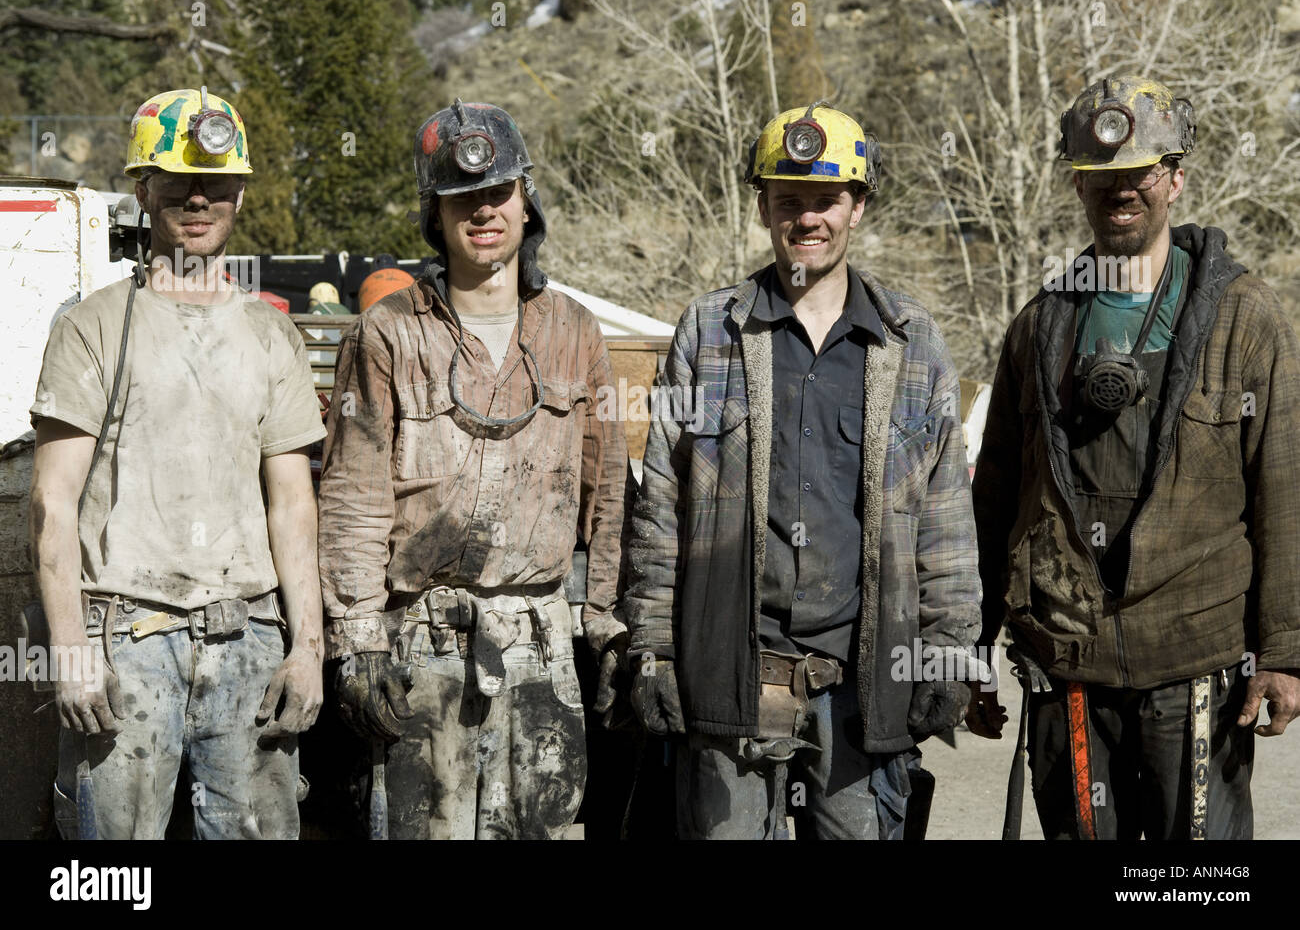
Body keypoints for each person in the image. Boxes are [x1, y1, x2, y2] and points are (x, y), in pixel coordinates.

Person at [623, 102, 982, 839]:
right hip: (730, 669)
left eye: (826, 199)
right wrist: (652, 649)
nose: (807, 218)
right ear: (763, 206)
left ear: (857, 206)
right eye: (789, 200)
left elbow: (945, 518)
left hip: (860, 679)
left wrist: (948, 651)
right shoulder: (710, 331)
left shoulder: (911, 341)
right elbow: (662, 506)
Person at [968, 76, 1300, 839]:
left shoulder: (1244, 318)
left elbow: (1284, 489)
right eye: (1101, 175)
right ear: (1079, 184)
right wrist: (967, 650)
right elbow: (995, 500)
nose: (1122, 189)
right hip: (1069, 664)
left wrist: (1285, 653)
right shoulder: (1041, 325)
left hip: (1196, 665)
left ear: (1175, 178)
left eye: (1141, 172)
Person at [317, 98, 628, 839]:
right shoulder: (387, 333)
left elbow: (609, 490)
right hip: (421, 647)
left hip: (540, 647)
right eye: (461, 197)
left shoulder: (574, 332)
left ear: (527, 202)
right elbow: (353, 493)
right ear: (435, 212)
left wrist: (611, 627)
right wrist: (357, 644)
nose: (483, 211)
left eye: (499, 192)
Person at [28, 87, 326, 839]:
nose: (198, 199)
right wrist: (68, 650)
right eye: (177, 183)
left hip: (250, 638)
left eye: (215, 184)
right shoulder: (93, 326)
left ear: (239, 192)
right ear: (142, 191)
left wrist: (308, 649)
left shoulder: (269, 334)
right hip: (128, 641)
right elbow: (51, 503)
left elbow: (293, 504)